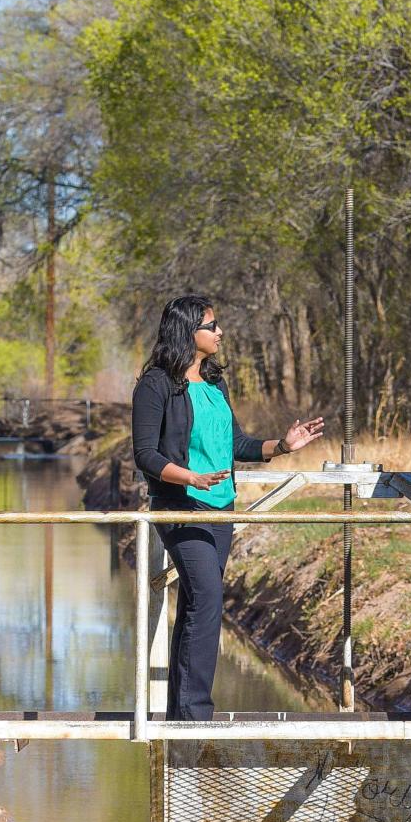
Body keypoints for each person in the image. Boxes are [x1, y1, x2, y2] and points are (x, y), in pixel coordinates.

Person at [131, 295, 324, 720]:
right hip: (181, 506)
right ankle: (195, 715)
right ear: (187, 332)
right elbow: (145, 453)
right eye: (211, 326)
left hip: (222, 510)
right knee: (208, 596)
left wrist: (283, 446)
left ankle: (182, 712)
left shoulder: (216, 384)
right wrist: (189, 477)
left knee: (200, 603)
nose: (219, 333)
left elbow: (236, 445)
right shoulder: (156, 384)